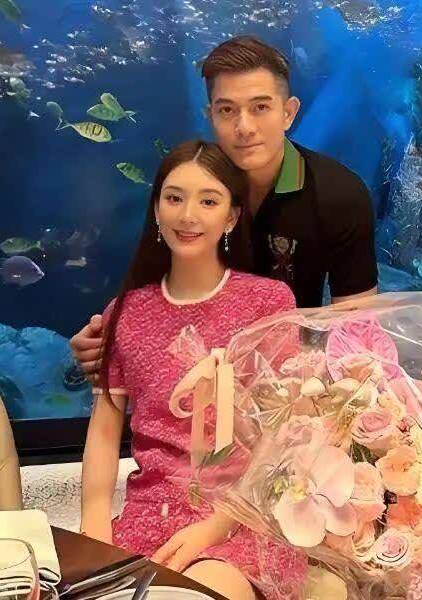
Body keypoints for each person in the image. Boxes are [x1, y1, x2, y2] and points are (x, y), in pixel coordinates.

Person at [70, 35, 378, 380]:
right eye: (227, 110)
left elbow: (357, 329)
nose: (244, 128)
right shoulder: (189, 186)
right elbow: (151, 288)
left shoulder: (338, 195)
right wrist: (105, 341)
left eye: (260, 108)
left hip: (294, 372)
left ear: (288, 112)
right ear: (210, 115)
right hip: (190, 370)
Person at [79, 140, 307, 600]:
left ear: (232, 216)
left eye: (208, 201)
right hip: (147, 513)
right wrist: (93, 528)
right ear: (156, 209)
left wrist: (213, 529)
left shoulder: (268, 304)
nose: (188, 215)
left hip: (242, 519)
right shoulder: (127, 311)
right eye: (175, 197)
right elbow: (104, 429)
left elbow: (283, 436)